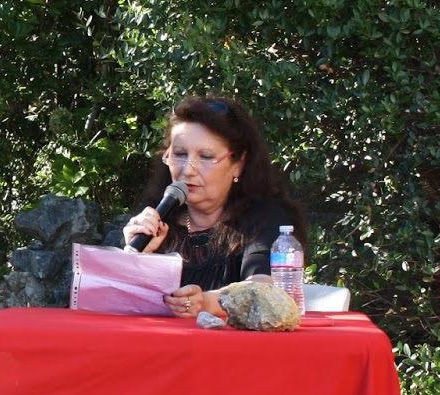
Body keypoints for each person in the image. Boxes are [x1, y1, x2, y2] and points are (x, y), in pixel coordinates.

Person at [121, 95, 305, 320]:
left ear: (239, 164)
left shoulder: (268, 217)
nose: (188, 170)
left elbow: (264, 288)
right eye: (179, 154)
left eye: (206, 156)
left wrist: (208, 302)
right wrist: (136, 259)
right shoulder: (158, 219)